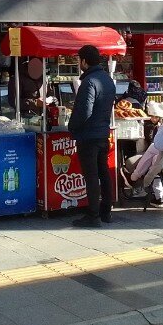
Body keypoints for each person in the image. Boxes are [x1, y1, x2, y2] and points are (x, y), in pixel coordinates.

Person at [67, 45, 116, 227]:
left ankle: (93, 215)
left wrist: (72, 127)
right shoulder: (107, 80)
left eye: (79, 60)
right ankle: (106, 212)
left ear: (85, 61)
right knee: (104, 173)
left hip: (89, 136)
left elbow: (84, 111)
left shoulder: (89, 82)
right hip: (103, 133)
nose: (79, 63)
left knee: (91, 176)